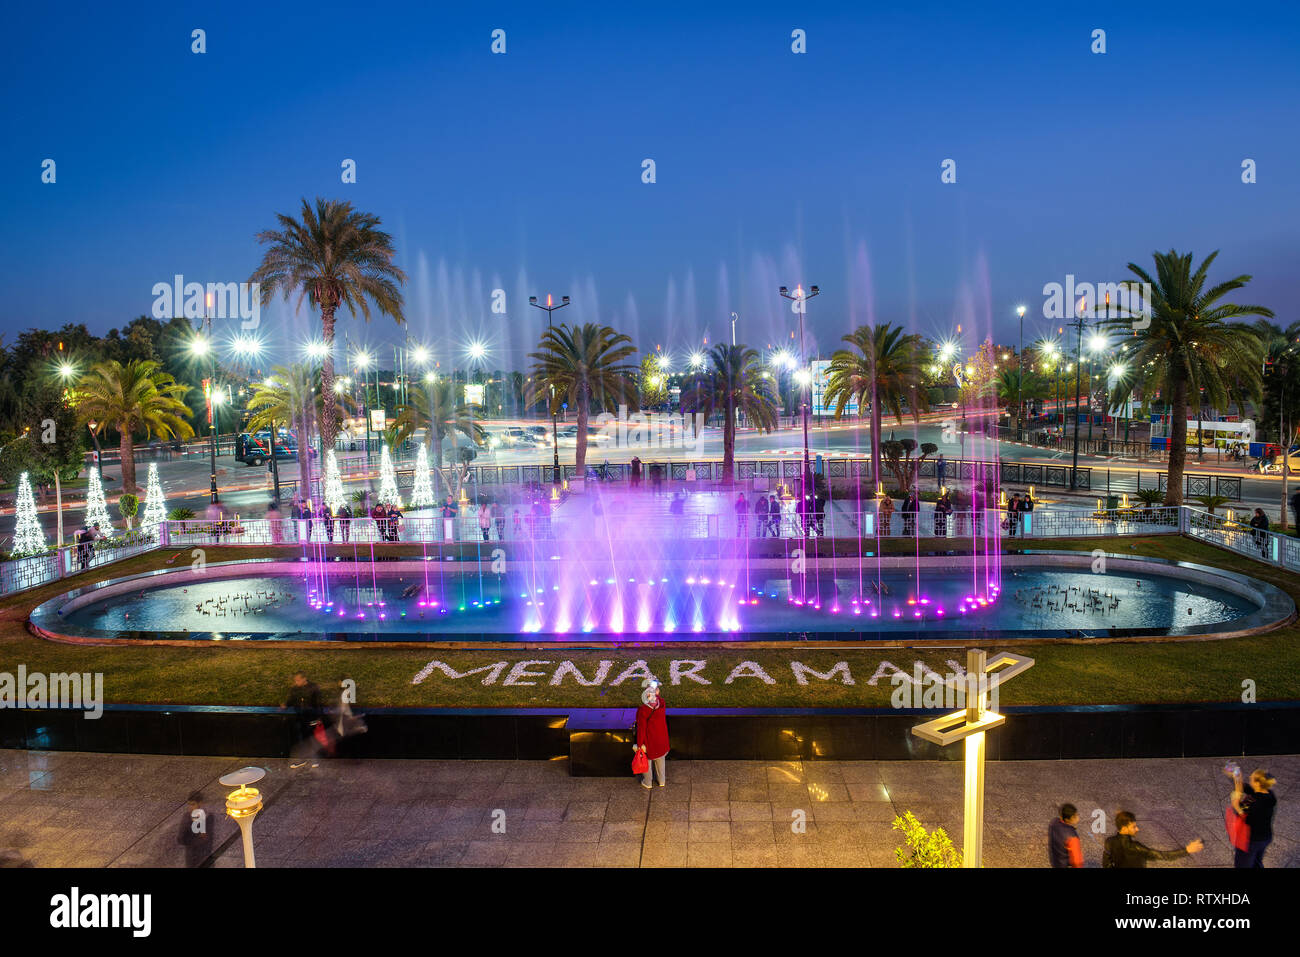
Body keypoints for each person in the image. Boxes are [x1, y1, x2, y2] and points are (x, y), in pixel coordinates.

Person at [1102, 811, 1203, 868]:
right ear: (1124, 828)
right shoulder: (1135, 847)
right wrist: (1187, 850)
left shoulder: (1109, 841)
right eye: (1133, 827)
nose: (1137, 829)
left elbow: (1106, 864)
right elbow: (1162, 855)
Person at [1225, 766, 1277, 868]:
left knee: (1243, 864)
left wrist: (1235, 801)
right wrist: (1236, 778)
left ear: (1257, 784)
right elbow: (1246, 788)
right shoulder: (1269, 795)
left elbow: (1241, 812)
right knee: (1257, 862)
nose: (1249, 777)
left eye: (1252, 778)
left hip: (1251, 841)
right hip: (1265, 838)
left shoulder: (1254, 802)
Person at [279, 671, 323, 768]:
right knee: (301, 739)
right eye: (295, 680)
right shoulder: (295, 689)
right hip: (300, 717)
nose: (296, 682)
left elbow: (318, 703)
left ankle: (314, 759)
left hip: (311, 716)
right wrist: (285, 704)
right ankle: (303, 760)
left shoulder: (313, 687)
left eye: (298, 680)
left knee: (311, 738)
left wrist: (318, 717)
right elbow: (291, 699)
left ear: (304, 679)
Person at [634, 678, 670, 789]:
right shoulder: (662, 704)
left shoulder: (643, 710)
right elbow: (657, 698)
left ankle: (648, 782)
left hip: (649, 741)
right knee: (660, 761)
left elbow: (641, 729)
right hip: (662, 739)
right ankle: (661, 780)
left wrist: (639, 744)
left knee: (647, 762)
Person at [177, 791, 213, 868]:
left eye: (193, 804)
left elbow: (207, 839)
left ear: (200, 804)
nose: (190, 807)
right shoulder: (186, 817)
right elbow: (180, 839)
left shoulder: (208, 817)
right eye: (189, 804)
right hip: (192, 860)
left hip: (205, 858)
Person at [1049, 804, 1084, 868]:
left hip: (1055, 861)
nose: (1078, 818)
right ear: (1069, 819)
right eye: (1075, 816)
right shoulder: (1072, 837)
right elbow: (1077, 861)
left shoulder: (1053, 822)